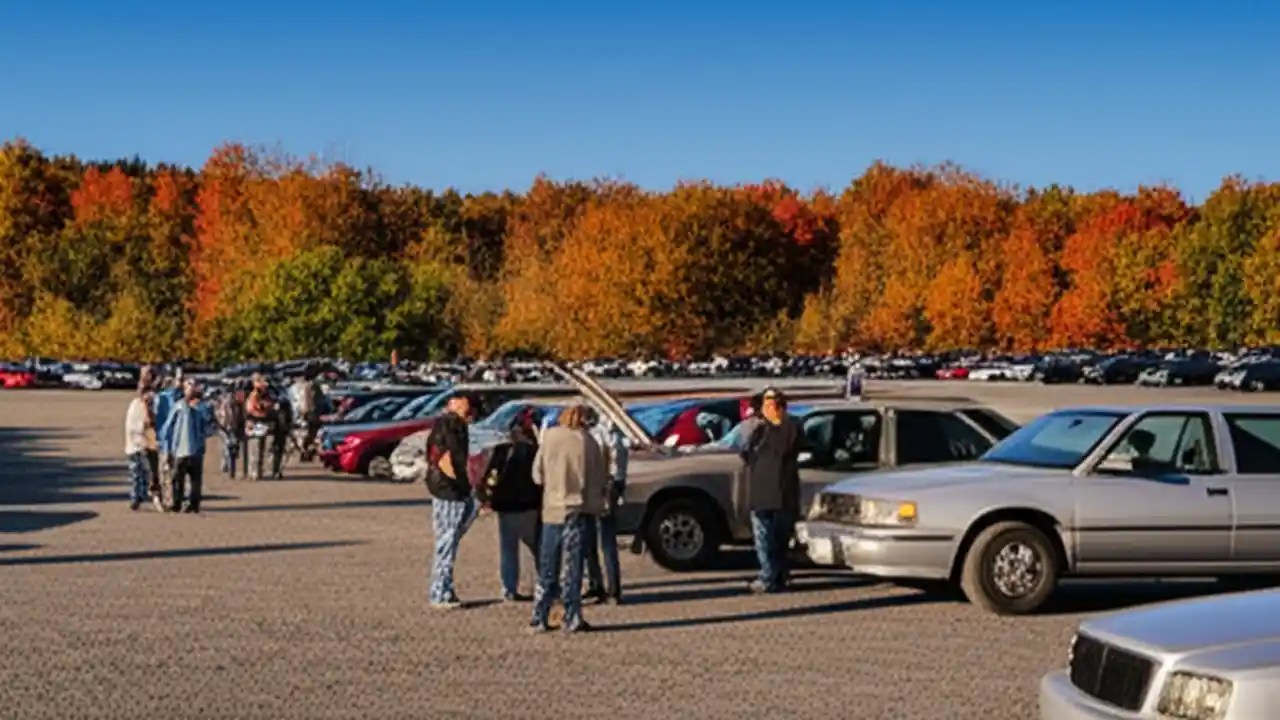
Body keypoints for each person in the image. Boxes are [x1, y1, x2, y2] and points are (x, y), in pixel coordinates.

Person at [529, 405, 609, 634]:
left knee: (547, 566)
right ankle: (571, 616)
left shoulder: (550, 438)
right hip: (579, 509)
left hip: (553, 508)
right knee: (572, 568)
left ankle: (540, 615)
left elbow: (537, 475)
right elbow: (600, 479)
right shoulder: (591, 443)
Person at [741, 387, 806, 594]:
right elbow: (747, 454)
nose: (769, 408)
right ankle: (776, 576)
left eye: (772, 403)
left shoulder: (781, 428)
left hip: (776, 491)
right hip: (770, 491)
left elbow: (750, 453)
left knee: (771, 540)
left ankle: (770, 577)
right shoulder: (766, 428)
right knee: (772, 539)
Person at [476, 408, 543, 602]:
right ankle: (540, 585)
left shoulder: (502, 451)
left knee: (508, 549)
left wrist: (487, 497)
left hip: (506, 505)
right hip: (530, 503)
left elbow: (492, 476)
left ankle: (509, 588)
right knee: (534, 548)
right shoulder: (534, 451)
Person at [424, 394, 477, 610]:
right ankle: (439, 592)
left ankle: (444, 588)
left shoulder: (447, 424)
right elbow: (449, 458)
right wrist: (461, 486)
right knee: (447, 541)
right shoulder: (451, 425)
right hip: (448, 490)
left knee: (448, 539)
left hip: (443, 487)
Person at [582, 406, 628, 605]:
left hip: (602, 485)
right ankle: (605, 586)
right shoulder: (621, 435)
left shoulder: (600, 435)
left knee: (598, 539)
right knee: (600, 540)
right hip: (612, 484)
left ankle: (604, 586)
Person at [159, 380, 214, 514]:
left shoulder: (201, 407)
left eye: (193, 387)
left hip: (195, 449)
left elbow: (209, 426)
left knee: (194, 479)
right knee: (178, 478)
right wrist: (164, 442)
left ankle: (193, 504)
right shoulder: (179, 406)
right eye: (188, 387)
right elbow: (168, 426)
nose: (191, 390)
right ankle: (177, 503)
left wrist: (203, 435)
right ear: (184, 390)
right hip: (180, 449)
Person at [124, 383, 152, 511]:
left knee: (144, 473)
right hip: (135, 444)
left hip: (143, 444)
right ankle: (136, 497)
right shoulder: (136, 405)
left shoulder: (146, 405)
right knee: (137, 473)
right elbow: (138, 424)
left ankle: (141, 494)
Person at [244, 374, 275, 481]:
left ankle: (260, 471)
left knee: (264, 449)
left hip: (264, 424)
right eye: (261, 382)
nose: (264, 385)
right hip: (255, 424)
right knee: (255, 449)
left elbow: (270, 405)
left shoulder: (267, 395)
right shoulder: (253, 395)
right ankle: (253, 472)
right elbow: (252, 409)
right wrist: (264, 407)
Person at [215, 387, 245, 479]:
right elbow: (221, 416)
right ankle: (226, 465)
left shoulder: (238, 404)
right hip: (226, 428)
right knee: (227, 447)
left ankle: (227, 465)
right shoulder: (225, 404)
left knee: (229, 447)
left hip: (230, 428)